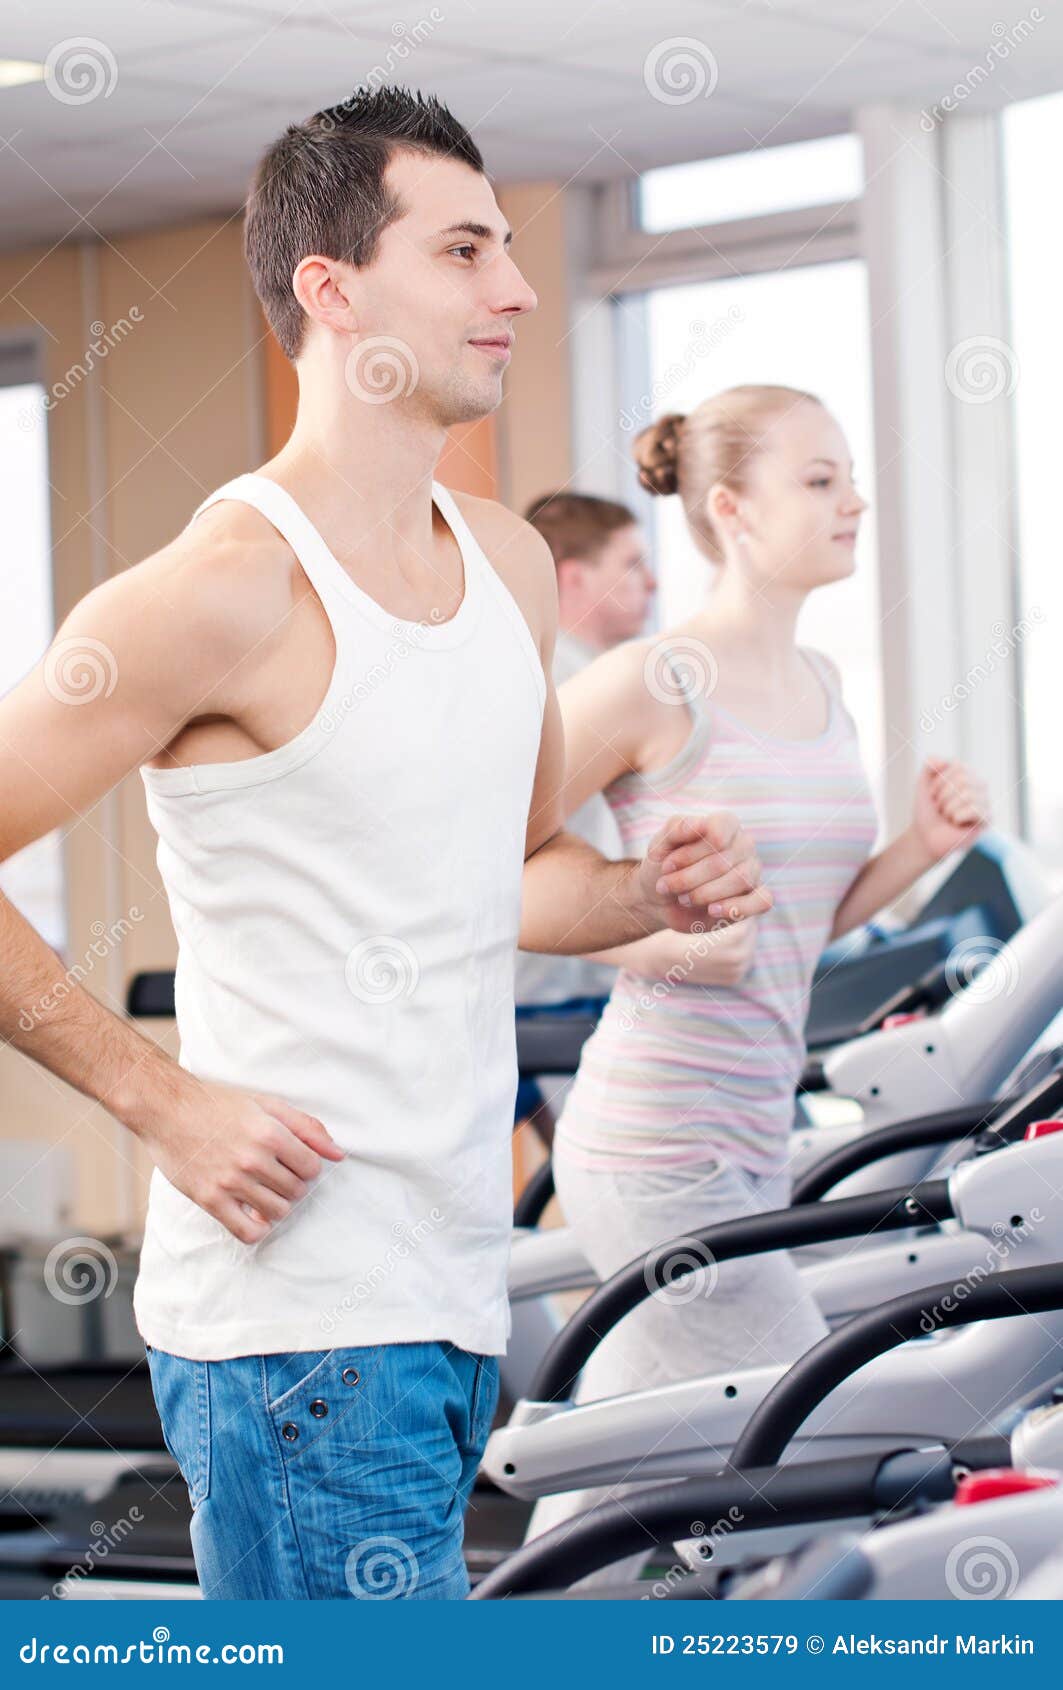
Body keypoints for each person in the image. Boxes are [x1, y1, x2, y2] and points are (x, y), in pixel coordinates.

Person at [0, 89, 769, 1601]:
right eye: (466, 249)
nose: (517, 289)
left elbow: (521, 870)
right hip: (298, 1323)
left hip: (449, 1286)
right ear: (331, 288)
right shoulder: (217, 590)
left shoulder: (505, 564)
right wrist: (166, 1103)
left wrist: (642, 890)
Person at [524, 385, 989, 1565]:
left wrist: (917, 856)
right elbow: (482, 865)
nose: (854, 500)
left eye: (849, 477)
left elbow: (796, 927)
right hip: (655, 1136)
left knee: (620, 1469)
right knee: (822, 1432)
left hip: (747, 1129)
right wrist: (658, 937)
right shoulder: (653, 680)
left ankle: (507, 1635)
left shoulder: (824, 686)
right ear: (729, 508)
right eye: (821, 479)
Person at [513, 493, 657, 1148]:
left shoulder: (577, 674)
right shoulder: (566, 687)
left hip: (562, 979)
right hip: (548, 990)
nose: (650, 582)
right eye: (630, 564)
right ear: (572, 578)